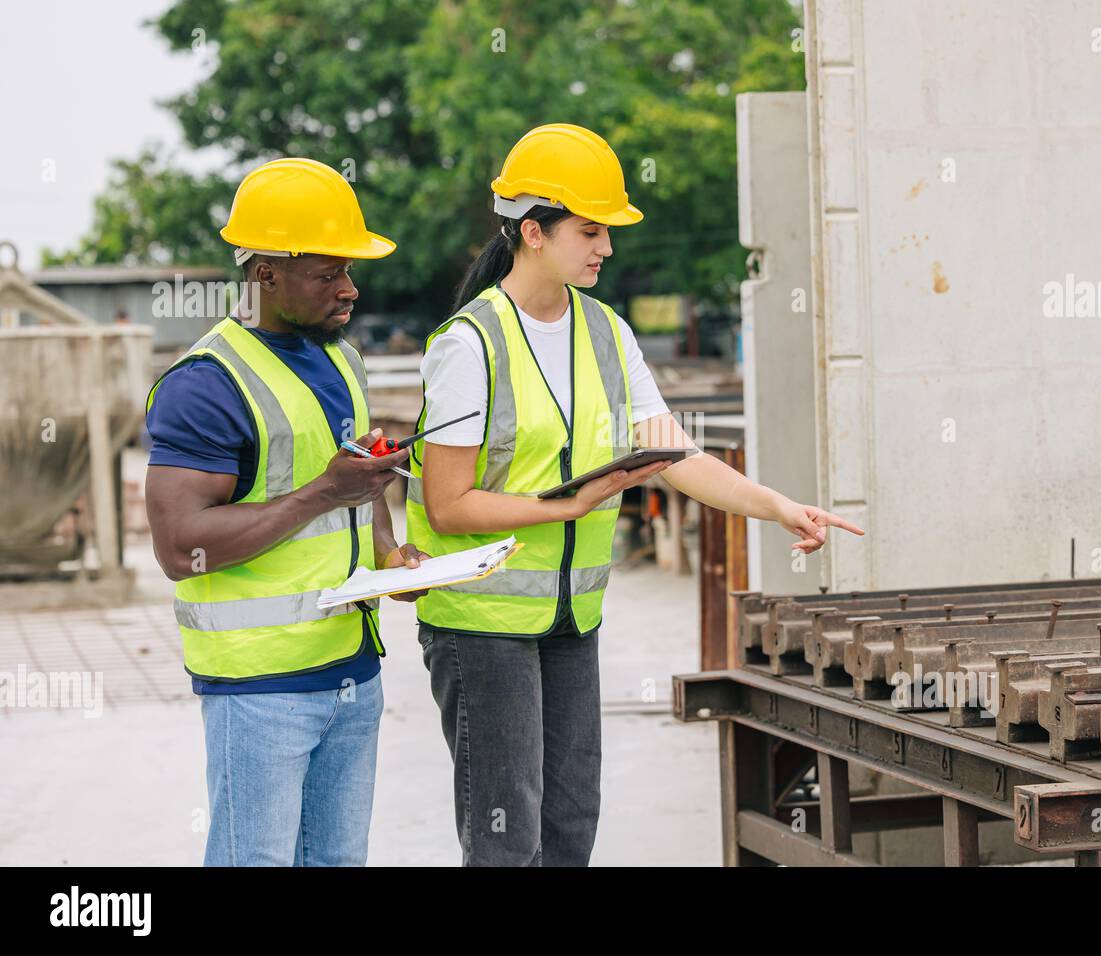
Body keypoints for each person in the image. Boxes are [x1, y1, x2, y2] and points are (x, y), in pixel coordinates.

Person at [407, 123, 865, 866]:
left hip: (569, 618)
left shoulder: (606, 333)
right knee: (505, 838)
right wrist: (562, 508)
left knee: (570, 827)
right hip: (479, 627)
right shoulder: (468, 345)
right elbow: (450, 502)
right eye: (590, 231)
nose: (606, 248)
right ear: (532, 232)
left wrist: (777, 506)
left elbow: (673, 454)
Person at [144, 157, 428, 866]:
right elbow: (182, 547)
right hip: (260, 686)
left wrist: (390, 557)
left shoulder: (342, 359)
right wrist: (323, 493)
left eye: (349, 270)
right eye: (328, 272)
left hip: (352, 670)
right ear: (265, 273)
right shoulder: (205, 384)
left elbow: (357, 485)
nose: (350, 288)